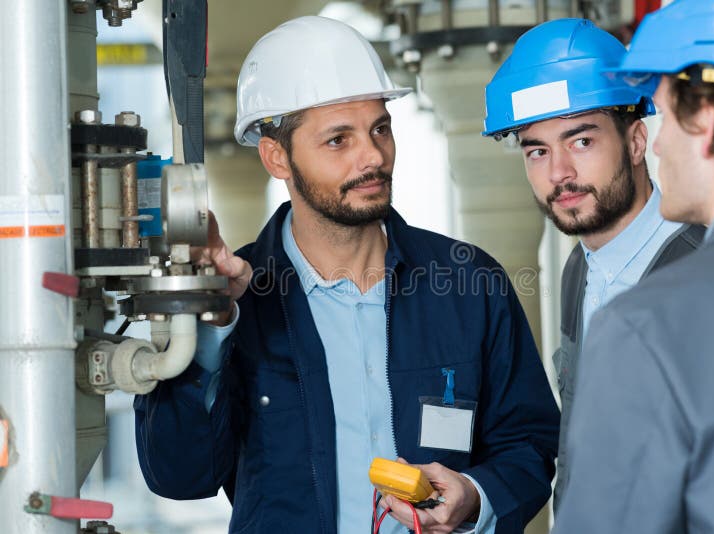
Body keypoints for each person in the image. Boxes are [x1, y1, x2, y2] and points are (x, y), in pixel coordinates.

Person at [134, 15, 560, 534]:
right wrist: (210, 327)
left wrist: (475, 496)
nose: (373, 156)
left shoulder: (470, 284)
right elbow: (180, 476)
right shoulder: (238, 301)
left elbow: (530, 444)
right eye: (338, 140)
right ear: (276, 157)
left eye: (380, 128)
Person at [553, 1, 714, 532]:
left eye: (663, 114)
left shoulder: (647, 327)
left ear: (706, 123)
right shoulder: (584, 278)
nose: (658, 142)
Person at [482, 18, 704, 508]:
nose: (559, 173)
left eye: (582, 141)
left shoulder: (703, 275)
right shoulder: (579, 271)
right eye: (537, 150)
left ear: (636, 141)